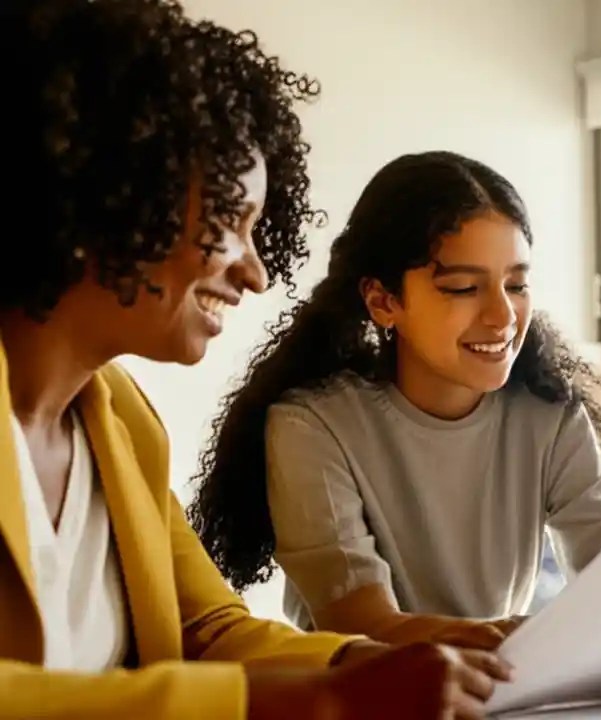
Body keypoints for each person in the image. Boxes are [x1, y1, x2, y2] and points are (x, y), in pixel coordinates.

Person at [1, 1, 508, 717]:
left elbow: (209, 631)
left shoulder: (120, 423)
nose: (256, 272)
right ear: (111, 194)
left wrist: (395, 664)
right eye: (231, 224)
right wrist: (321, 698)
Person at [188, 151, 601, 651]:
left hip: (500, 692)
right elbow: (361, 625)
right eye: (463, 287)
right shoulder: (311, 425)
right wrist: (532, 640)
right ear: (383, 301)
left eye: (517, 284)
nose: (503, 315)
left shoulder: (551, 417)